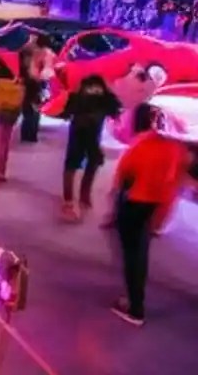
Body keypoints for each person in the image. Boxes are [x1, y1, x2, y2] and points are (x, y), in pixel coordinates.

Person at [108, 104, 190, 326]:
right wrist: (160, 220)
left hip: (134, 202)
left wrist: (115, 204)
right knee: (141, 252)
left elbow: (122, 173)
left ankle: (135, 308)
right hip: (153, 206)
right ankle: (136, 301)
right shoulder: (179, 151)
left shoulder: (144, 142)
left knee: (131, 254)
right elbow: (174, 188)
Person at [57, 75, 121, 221]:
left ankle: (69, 201)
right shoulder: (104, 91)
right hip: (93, 132)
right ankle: (84, 197)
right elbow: (116, 110)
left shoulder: (79, 87)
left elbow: (66, 112)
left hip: (78, 129)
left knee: (71, 165)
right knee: (92, 162)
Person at [17, 33, 55, 143]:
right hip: (36, 82)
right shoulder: (44, 52)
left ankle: (27, 135)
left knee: (29, 109)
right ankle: (30, 135)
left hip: (31, 82)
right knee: (33, 109)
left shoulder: (30, 51)